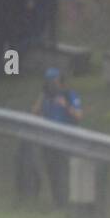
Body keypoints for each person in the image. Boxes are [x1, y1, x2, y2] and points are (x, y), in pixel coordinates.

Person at [30, 67, 82, 205]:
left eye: (54, 81)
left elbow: (78, 116)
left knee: (64, 172)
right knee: (51, 170)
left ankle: (67, 201)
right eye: (48, 82)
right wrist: (42, 96)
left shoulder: (69, 95)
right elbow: (34, 113)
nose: (51, 85)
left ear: (60, 81)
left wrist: (66, 106)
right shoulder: (46, 98)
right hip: (49, 140)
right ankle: (57, 201)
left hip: (66, 140)